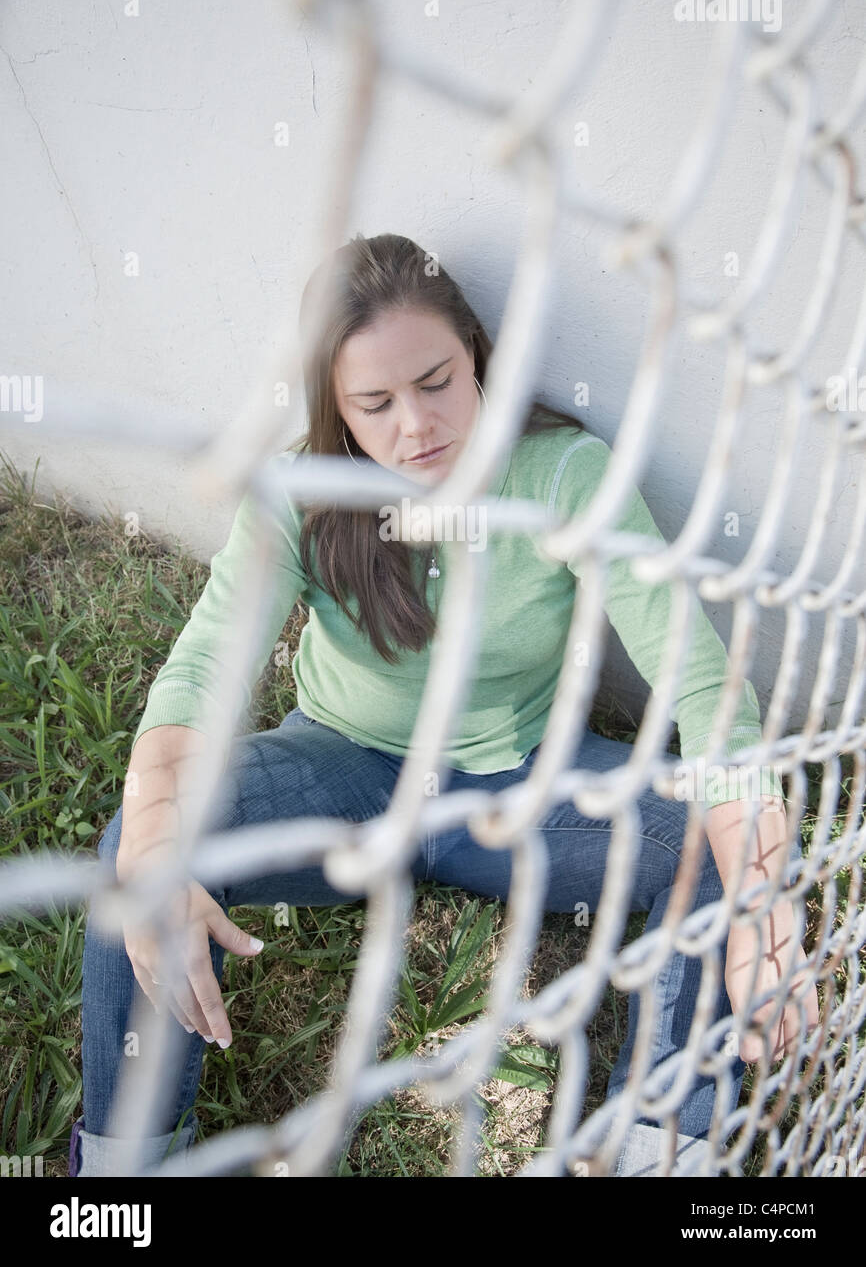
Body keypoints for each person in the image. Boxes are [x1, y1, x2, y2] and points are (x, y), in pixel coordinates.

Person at [70, 232, 818, 1178]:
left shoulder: (563, 475)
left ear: (477, 359)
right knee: (135, 854)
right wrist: (152, 838)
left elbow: (698, 675)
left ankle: (659, 1149)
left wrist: (754, 889)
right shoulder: (300, 493)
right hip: (344, 772)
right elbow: (203, 665)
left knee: (718, 848)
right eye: (375, 404)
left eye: (438, 381)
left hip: (515, 786)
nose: (416, 425)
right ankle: (121, 1179)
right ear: (337, 412)